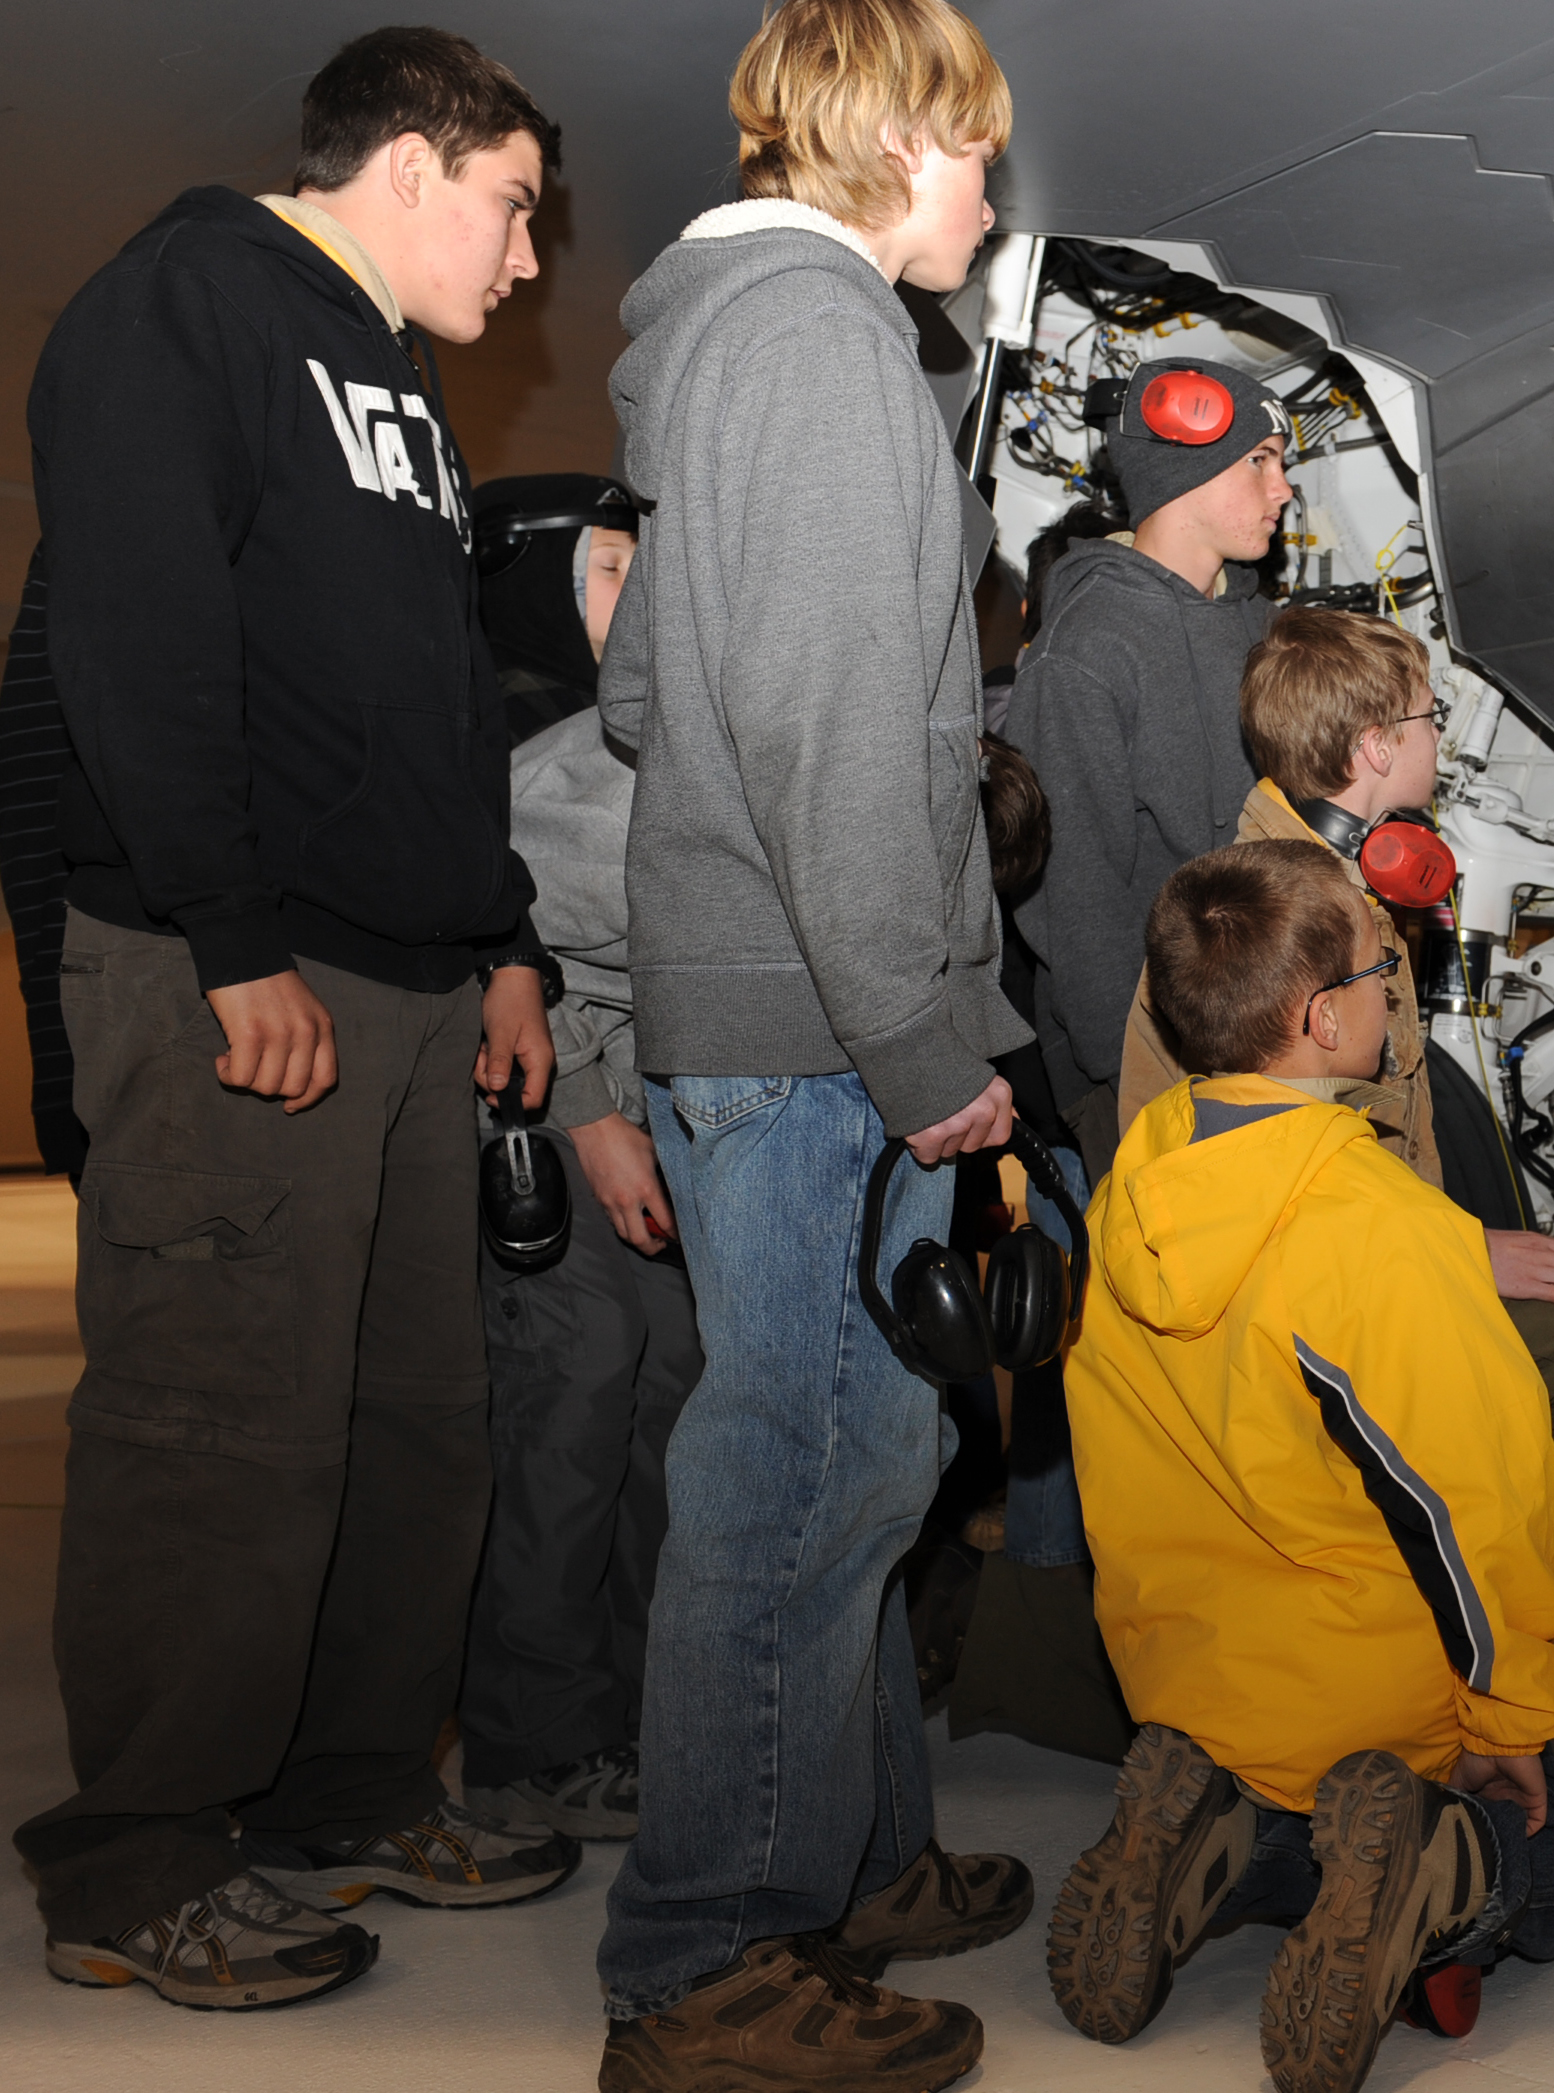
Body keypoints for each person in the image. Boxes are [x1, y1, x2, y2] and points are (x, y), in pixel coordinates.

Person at [13, 27, 578, 2013]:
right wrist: (223, 931)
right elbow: (133, 641)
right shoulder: (183, 305)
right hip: (246, 972)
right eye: (515, 205)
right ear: (416, 160)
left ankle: (343, 1787)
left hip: (415, 985)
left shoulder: (396, 381)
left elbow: (423, 696)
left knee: (414, 1425)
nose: (528, 258)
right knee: (217, 1426)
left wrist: (504, 933)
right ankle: (135, 1856)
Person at [592, 5, 1036, 2086]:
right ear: (891, 137)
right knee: (795, 1479)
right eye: (974, 150)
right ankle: (707, 1959)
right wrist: (922, 1026)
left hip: (770, 1006)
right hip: (818, 1029)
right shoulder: (825, 339)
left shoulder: (717, 343)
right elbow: (835, 735)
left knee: (855, 1462)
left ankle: (847, 1859)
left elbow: (642, 703)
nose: (989, 190)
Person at [1051, 840, 1554, 2093]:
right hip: (1370, 1694)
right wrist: (1507, 1720)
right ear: (1323, 1019)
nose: (1391, 984)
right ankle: (1439, 1863)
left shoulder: (1135, 1182)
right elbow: (1470, 1503)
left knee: (1294, 1808)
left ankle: (1211, 1822)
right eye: (1382, 968)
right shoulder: (1383, 1225)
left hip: (1190, 1673)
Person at [1121, 609, 1554, 1540]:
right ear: (1377, 747)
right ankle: (1403, 1555)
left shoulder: (1281, 889)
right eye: (1433, 718)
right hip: (1333, 1295)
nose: (1445, 741)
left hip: (1365, 1265)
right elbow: (1285, 1192)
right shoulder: (1296, 930)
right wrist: (1469, 1260)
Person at [457, 475, 703, 1842]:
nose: (643, 598)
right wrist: (599, 1117)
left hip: (630, 1106)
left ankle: (635, 1704)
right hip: (543, 1113)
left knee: (659, 1384)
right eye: (611, 572)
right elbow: (529, 970)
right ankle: (530, 1744)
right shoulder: (528, 764)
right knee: (571, 1396)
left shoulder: (630, 740)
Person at [1003, 356, 1291, 1175]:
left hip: (1264, 1049)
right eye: (1260, 462)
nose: (1282, 490)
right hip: (1148, 1073)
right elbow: (1071, 893)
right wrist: (1135, 1073)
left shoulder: (1258, 627)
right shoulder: (1087, 649)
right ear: (1183, 475)